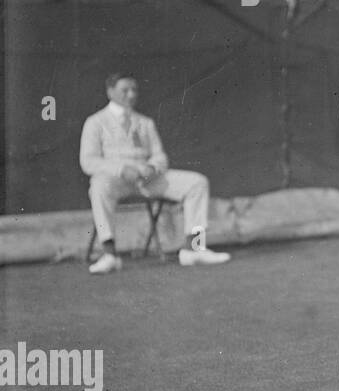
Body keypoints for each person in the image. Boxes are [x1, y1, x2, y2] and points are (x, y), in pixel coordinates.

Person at [80, 73, 231, 274]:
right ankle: (109, 254)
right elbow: (88, 161)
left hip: (148, 180)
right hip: (116, 181)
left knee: (197, 182)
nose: (131, 95)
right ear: (110, 92)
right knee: (98, 186)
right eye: (125, 90)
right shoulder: (95, 122)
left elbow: (160, 156)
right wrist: (121, 170)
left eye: (134, 90)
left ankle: (194, 249)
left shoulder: (145, 122)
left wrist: (152, 168)